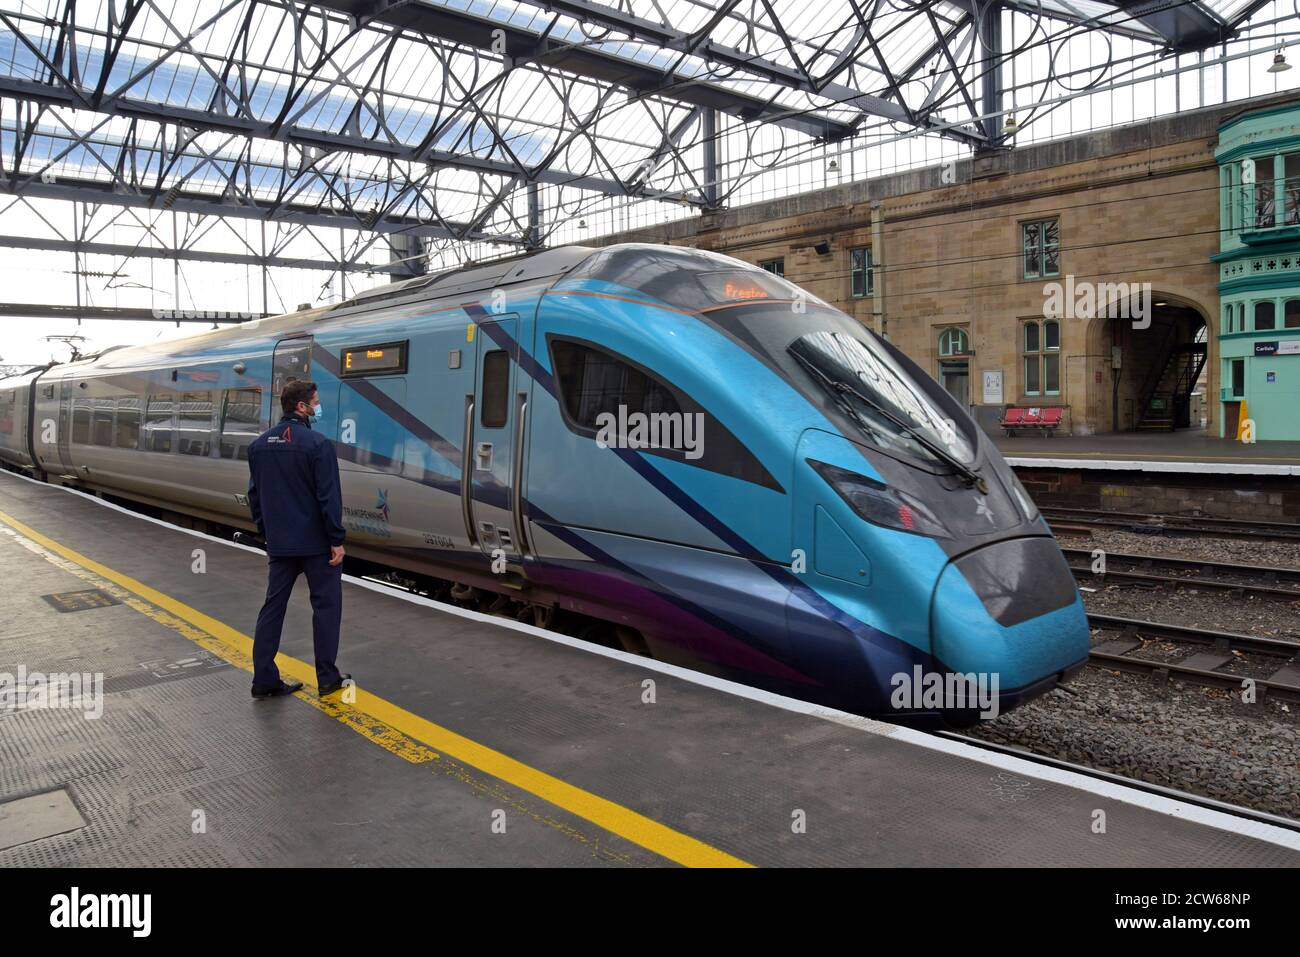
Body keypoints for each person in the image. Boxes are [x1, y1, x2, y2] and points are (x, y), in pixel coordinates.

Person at [246, 378, 351, 699]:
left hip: (280, 544)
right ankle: (328, 679)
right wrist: (336, 539)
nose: (319, 407)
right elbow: (328, 498)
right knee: (326, 607)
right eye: (315, 402)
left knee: (272, 607)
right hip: (317, 545)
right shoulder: (318, 445)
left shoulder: (259, 446)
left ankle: (263, 679)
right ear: (302, 407)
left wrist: (267, 533)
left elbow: (255, 497)